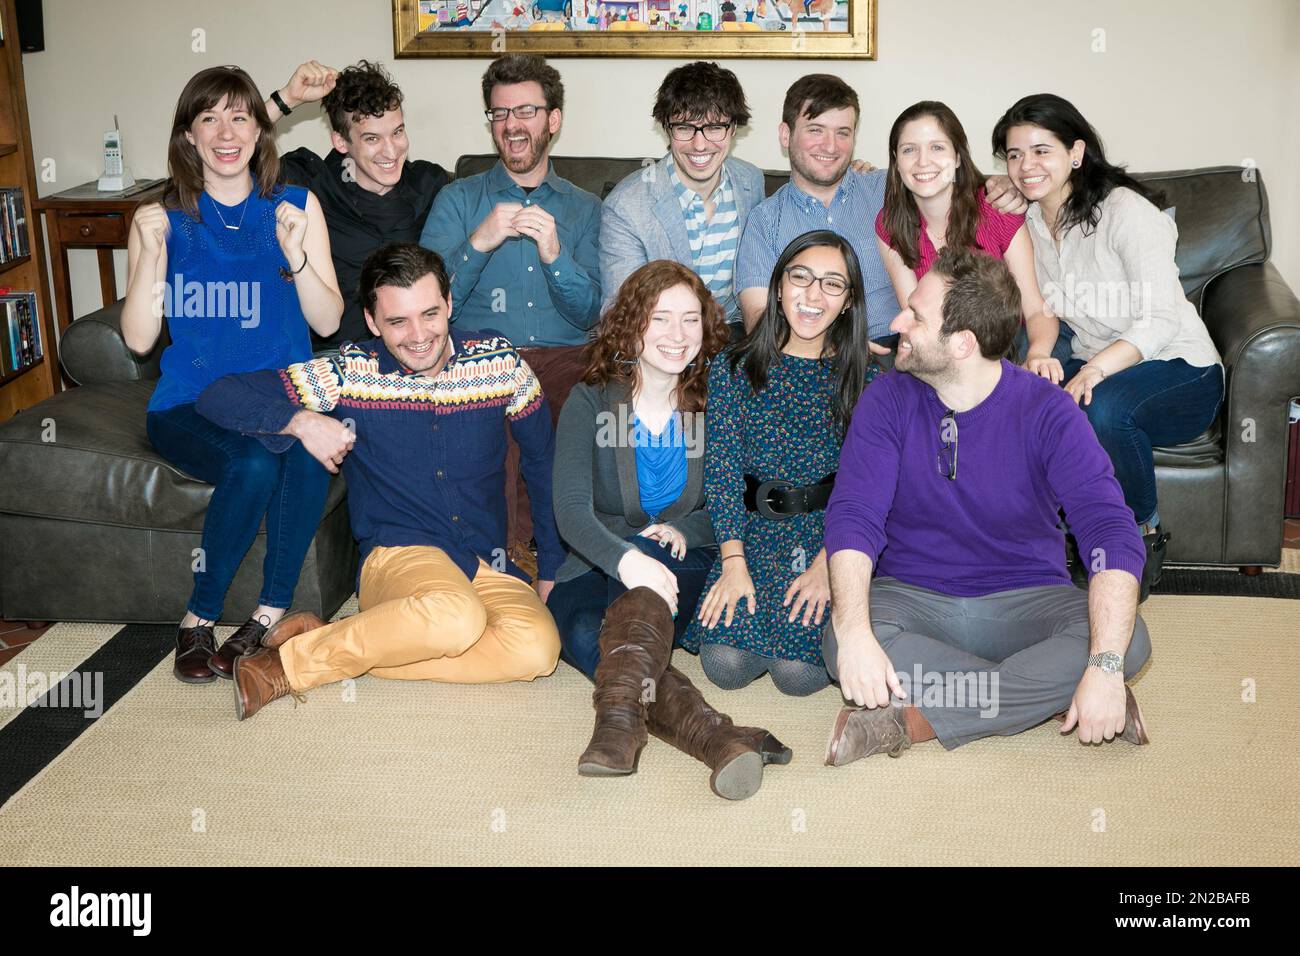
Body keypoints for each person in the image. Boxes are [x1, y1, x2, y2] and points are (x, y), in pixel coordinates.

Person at [194, 243, 563, 719]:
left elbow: (542, 457)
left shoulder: (498, 361)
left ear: (450, 303)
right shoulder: (349, 372)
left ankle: (342, 639)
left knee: (537, 650)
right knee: (457, 618)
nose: (419, 336)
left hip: (485, 559)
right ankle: (287, 664)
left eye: (430, 314)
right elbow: (217, 395)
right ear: (371, 321)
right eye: (397, 322)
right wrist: (301, 421)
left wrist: (550, 563)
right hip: (398, 556)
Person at [821, 246, 1152, 766]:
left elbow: (1108, 529)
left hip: (1027, 600)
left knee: (1126, 645)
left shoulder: (1049, 412)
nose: (897, 322)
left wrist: (1105, 665)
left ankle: (915, 722)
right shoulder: (886, 400)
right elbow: (854, 515)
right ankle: (1048, 690)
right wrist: (857, 632)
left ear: (962, 344)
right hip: (914, 601)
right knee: (843, 639)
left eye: (915, 316)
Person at [121, 65, 343, 685]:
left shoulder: (297, 207)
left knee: (300, 456)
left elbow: (327, 321)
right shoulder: (162, 217)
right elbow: (139, 339)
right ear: (188, 136)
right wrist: (150, 258)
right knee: (253, 462)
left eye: (239, 117)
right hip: (191, 404)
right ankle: (198, 620)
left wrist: (297, 255)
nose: (225, 132)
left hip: (281, 394)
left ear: (259, 129)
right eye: (208, 119)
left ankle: (266, 617)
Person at [549, 259, 791, 799]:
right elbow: (570, 510)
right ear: (631, 325)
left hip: (687, 573)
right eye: (660, 319)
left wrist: (687, 525)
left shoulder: (717, 400)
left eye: (690, 320)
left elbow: (736, 501)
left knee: (616, 631)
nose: (676, 336)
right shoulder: (590, 400)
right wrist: (627, 560)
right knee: (583, 632)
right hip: (596, 564)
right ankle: (720, 737)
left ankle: (617, 726)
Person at [992, 93, 1224, 593]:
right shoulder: (1029, 221)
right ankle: (1055, 540)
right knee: (1026, 398)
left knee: (1103, 408)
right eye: (1014, 155)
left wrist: (1096, 369)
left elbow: (1161, 318)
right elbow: (1043, 310)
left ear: (1075, 153)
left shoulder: (1126, 212)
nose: (1025, 166)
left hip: (1179, 366)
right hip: (1091, 353)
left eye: (1040, 151)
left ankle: (1139, 535)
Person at [421, 53, 602, 557]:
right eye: (500, 114)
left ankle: (554, 557)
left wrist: (555, 256)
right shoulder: (457, 200)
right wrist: (478, 243)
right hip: (479, 356)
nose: (511, 124)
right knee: (486, 424)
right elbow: (430, 310)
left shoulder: (585, 209)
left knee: (574, 423)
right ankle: (504, 560)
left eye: (525, 111)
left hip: (567, 359)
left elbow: (591, 313)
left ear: (553, 120)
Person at [684, 230, 879, 696]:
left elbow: (868, 489)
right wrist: (733, 563)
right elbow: (723, 471)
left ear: (849, 302)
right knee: (725, 666)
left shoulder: (865, 379)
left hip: (827, 535)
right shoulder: (732, 368)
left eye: (833, 284)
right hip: (750, 533)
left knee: (799, 675)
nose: (813, 295)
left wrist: (830, 565)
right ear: (777, 286)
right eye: (801, 277)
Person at [736, 76, 1029, 351]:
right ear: (785, 135)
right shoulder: (765, 221)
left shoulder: (889, 188)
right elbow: (757, 317)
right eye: (816, 130)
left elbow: (949, 183)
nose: (830, 145)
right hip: (813, 353)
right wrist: (833, 349)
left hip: (901, 347)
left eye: (843, 133)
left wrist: (1004, 185)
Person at [266, 59, 451, 352]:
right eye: (372, 138)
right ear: (341, 141)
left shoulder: (430, 185)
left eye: (398, 132)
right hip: (333, 358)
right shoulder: (312, 181)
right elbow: (225, 162)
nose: (391, 150)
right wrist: (286, 98)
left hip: (413, 352)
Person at [876, 100, 1067, 381]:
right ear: (896, 161)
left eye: (937, 147)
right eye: (909, 150)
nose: (923, 161)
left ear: (957, 158)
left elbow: (1037, 309)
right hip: (942, 345)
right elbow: (915, 316)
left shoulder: (996, 208)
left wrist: (1038, 354)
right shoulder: (890, 224)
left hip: (1013, 341)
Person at [601, 61, 765, 329]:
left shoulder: (751, 182)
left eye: (714, 127)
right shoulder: (626, 206)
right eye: (685, 128)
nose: (699, 145)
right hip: (661, 339)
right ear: (667, 128)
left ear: (733, 128)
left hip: (733, 334)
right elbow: (620, 311)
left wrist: (852, 175)